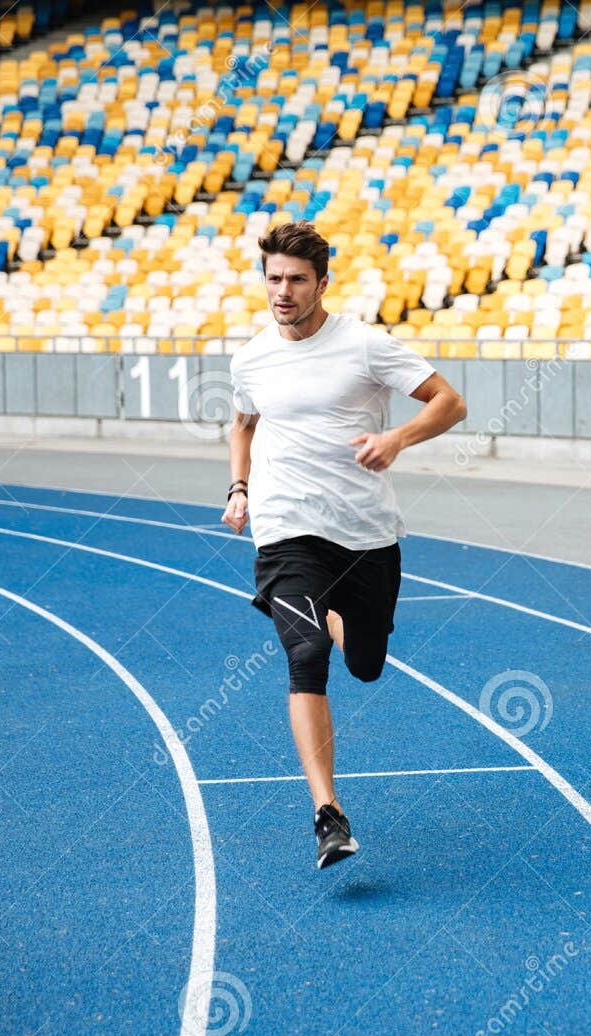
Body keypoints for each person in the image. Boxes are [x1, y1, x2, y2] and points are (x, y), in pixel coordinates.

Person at [222, 220, 466, 868]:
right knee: (305, 655)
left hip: (364, 533)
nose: (283, 291)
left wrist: (396, 439)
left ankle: (334, 617)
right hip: (285, 527)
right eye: (274, 278)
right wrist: (239, 487)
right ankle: (328, 815)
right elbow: (242, 423)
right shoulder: (250, 358)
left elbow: (450, 402)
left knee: (365, 662)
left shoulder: (364, 345)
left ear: (322, 283)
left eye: (297, 279)